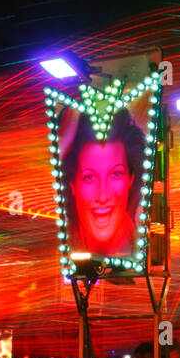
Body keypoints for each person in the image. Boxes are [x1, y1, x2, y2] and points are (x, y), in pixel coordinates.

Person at [60, 107, 143, 258]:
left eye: (116, 174)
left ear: (131, 179)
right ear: (72, 185)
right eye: (89, 177)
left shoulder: (145, 250)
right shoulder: (64, 247)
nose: (103, 196)